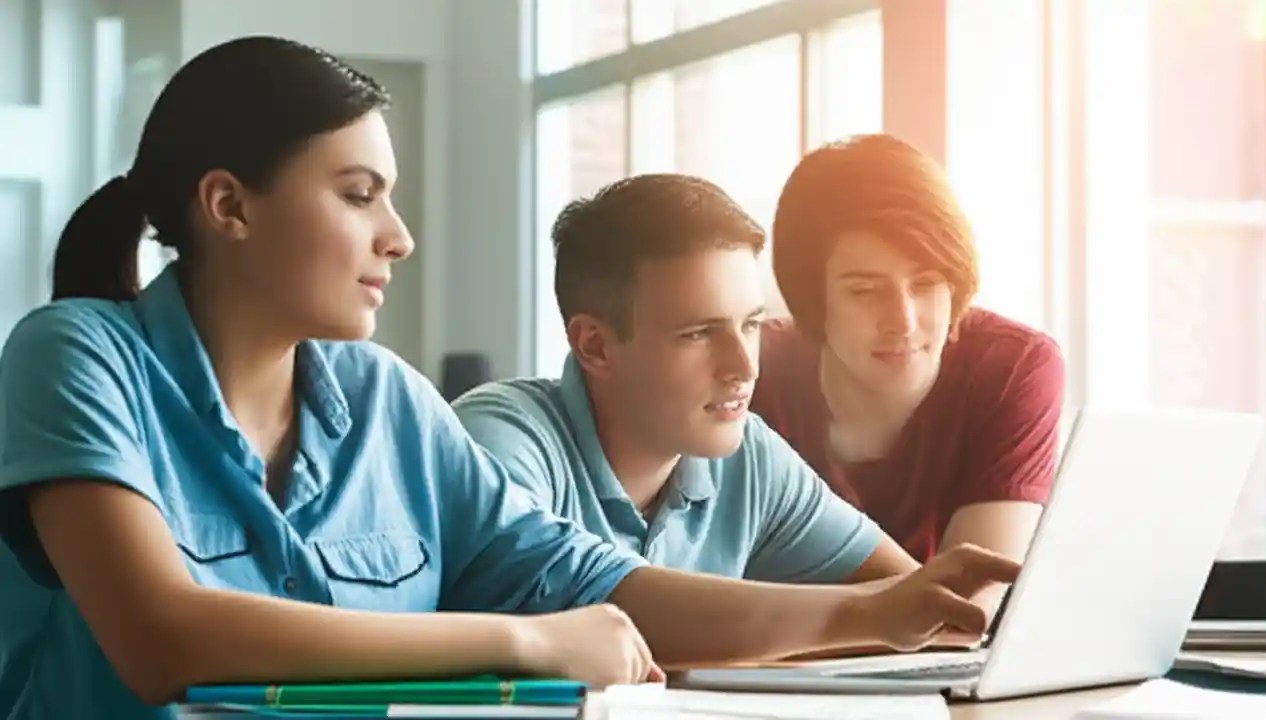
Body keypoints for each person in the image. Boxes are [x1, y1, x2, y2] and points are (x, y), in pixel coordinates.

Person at [0, 39, 1018, 720]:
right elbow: (161, 637)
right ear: (228, 206)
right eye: (357, 195)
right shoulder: (76, 355)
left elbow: (599, 588)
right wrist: (527, 642)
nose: (397, 237)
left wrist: (869, 615)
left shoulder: (390, 403)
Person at [454, 174, 919, 584]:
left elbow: (910, 600)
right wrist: (856, 616)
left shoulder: (749, 458)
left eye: (751, 325)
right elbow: (582, 606)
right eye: (698, 333)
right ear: (595, 346)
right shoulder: (498, 438)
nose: (745, 367)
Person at [751, 133, 1067, 569]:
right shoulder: (748, 370)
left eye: (926, 284)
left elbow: (971, 598)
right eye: (865, 291)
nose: (903, 321)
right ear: (812, 296)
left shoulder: (1011, 367)